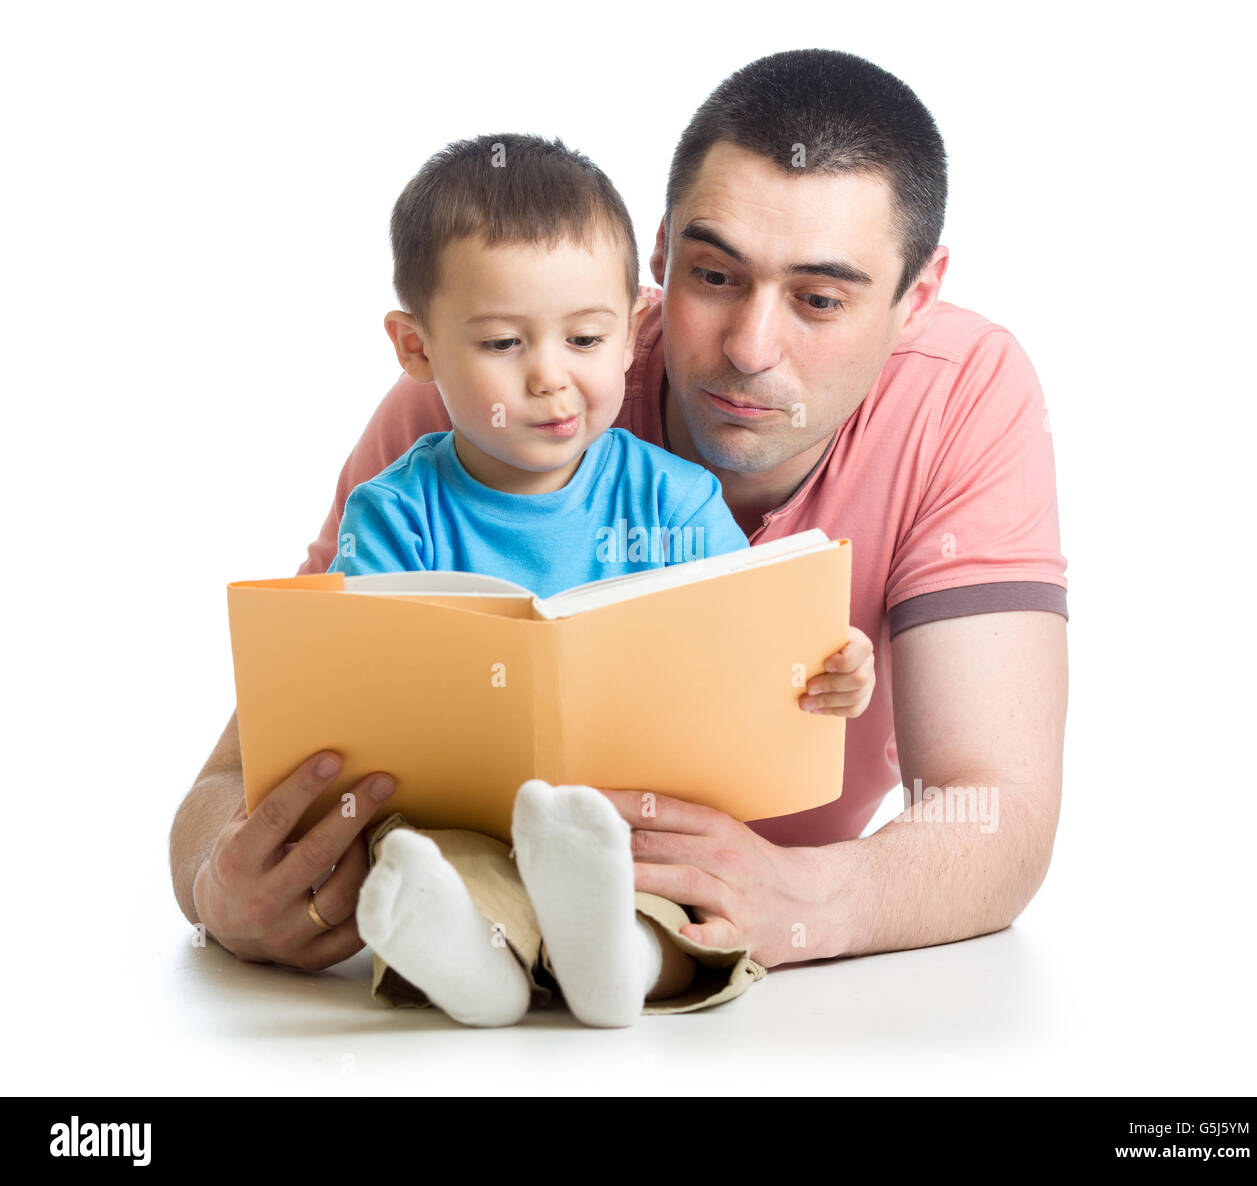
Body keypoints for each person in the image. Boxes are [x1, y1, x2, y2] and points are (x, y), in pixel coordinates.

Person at [172, 47, 1066, 985]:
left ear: (916, 299)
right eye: (713, 276)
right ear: (662, 255)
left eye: (820, 299)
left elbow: (998, 813)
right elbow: (239, 775)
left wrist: (800, 901)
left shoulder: (967, 396)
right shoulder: (486, 404)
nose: (751, 350)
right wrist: (212, 887)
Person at [323, 133, 871, 1026]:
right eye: (502, 341)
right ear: (415, 349)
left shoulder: (676, 500)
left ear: (633, 330)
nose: (550, 378)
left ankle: (612, 957)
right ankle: (477, 973)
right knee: (428, 868)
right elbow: (352, 691)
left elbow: (755, 649)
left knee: (670, 891)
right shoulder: (395, 514)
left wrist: (832, 668)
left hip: (638, 824)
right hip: (461, 823)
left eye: (585, 337)